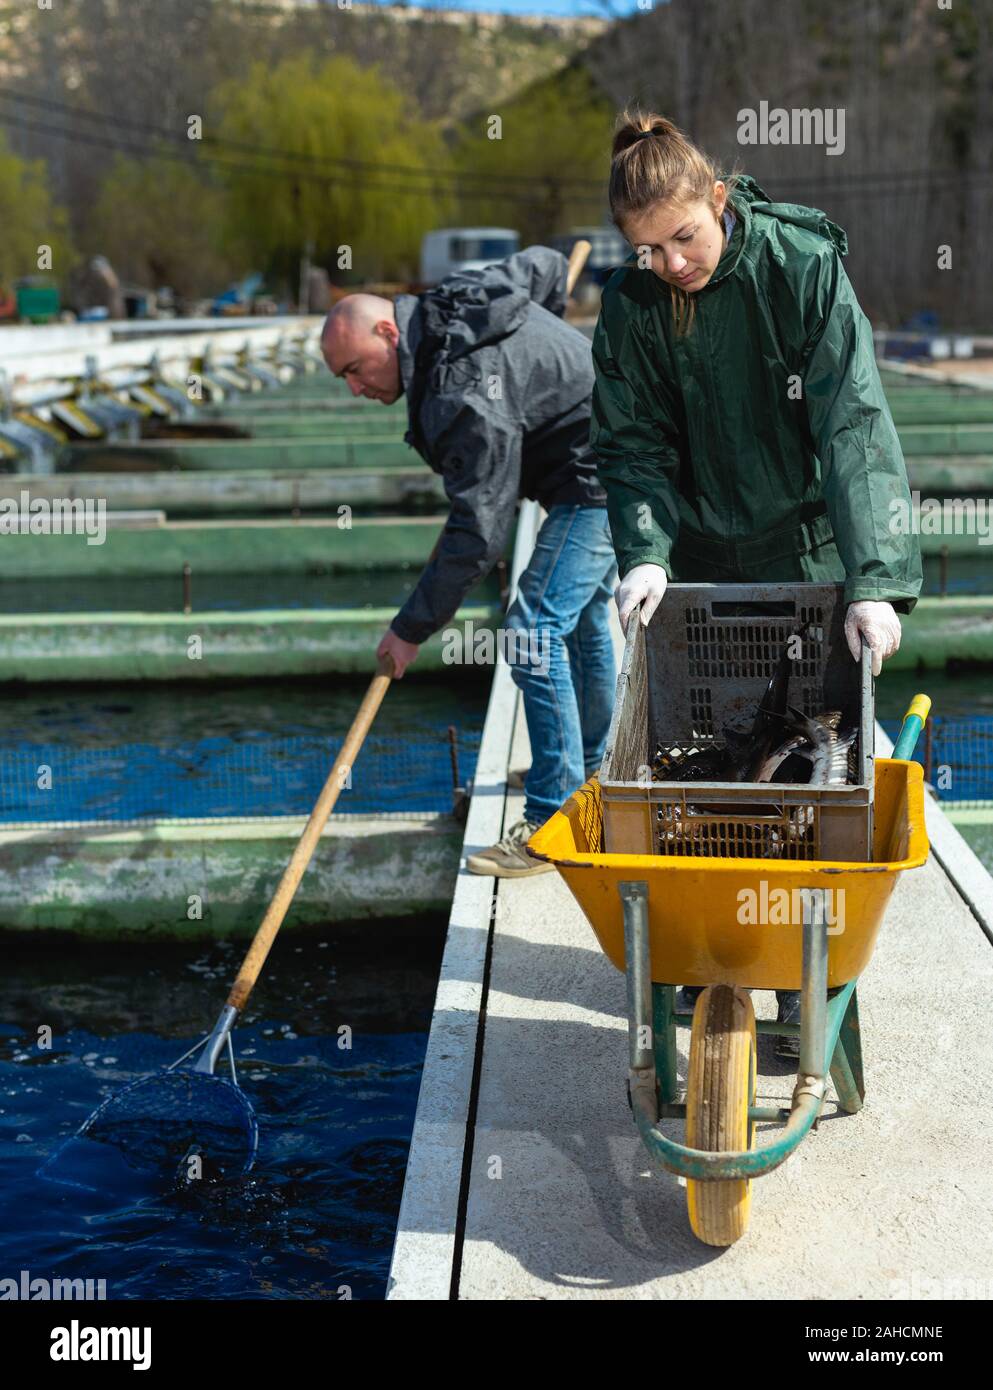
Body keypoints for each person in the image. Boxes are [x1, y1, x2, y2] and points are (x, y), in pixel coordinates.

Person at [590, 111, 923, 1058]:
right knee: (713, 766)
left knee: (822, 782)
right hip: (696, 558)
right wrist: (645, 550)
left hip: (807, 552)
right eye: (646, 249)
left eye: (683, 237)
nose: (670, 264)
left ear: (720, 204)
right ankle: (715, 955)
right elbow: (632, 442)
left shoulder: (799, 268)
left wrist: (872, 579)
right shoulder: (631, 305)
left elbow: (852, 425)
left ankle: (805, 990)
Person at [321, 248, 617, 877]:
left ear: (387, 332)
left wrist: (410, 629)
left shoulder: (459, 390)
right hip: (592, 467)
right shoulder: (451, 302)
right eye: (341, 379)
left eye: (353, 369)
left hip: (609, 474)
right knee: (583, 621)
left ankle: (555, 822)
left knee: (533, 630)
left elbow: (480, 531)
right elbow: (544, 264)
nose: (354, 388)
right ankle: (586, 771)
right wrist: (544, 347)